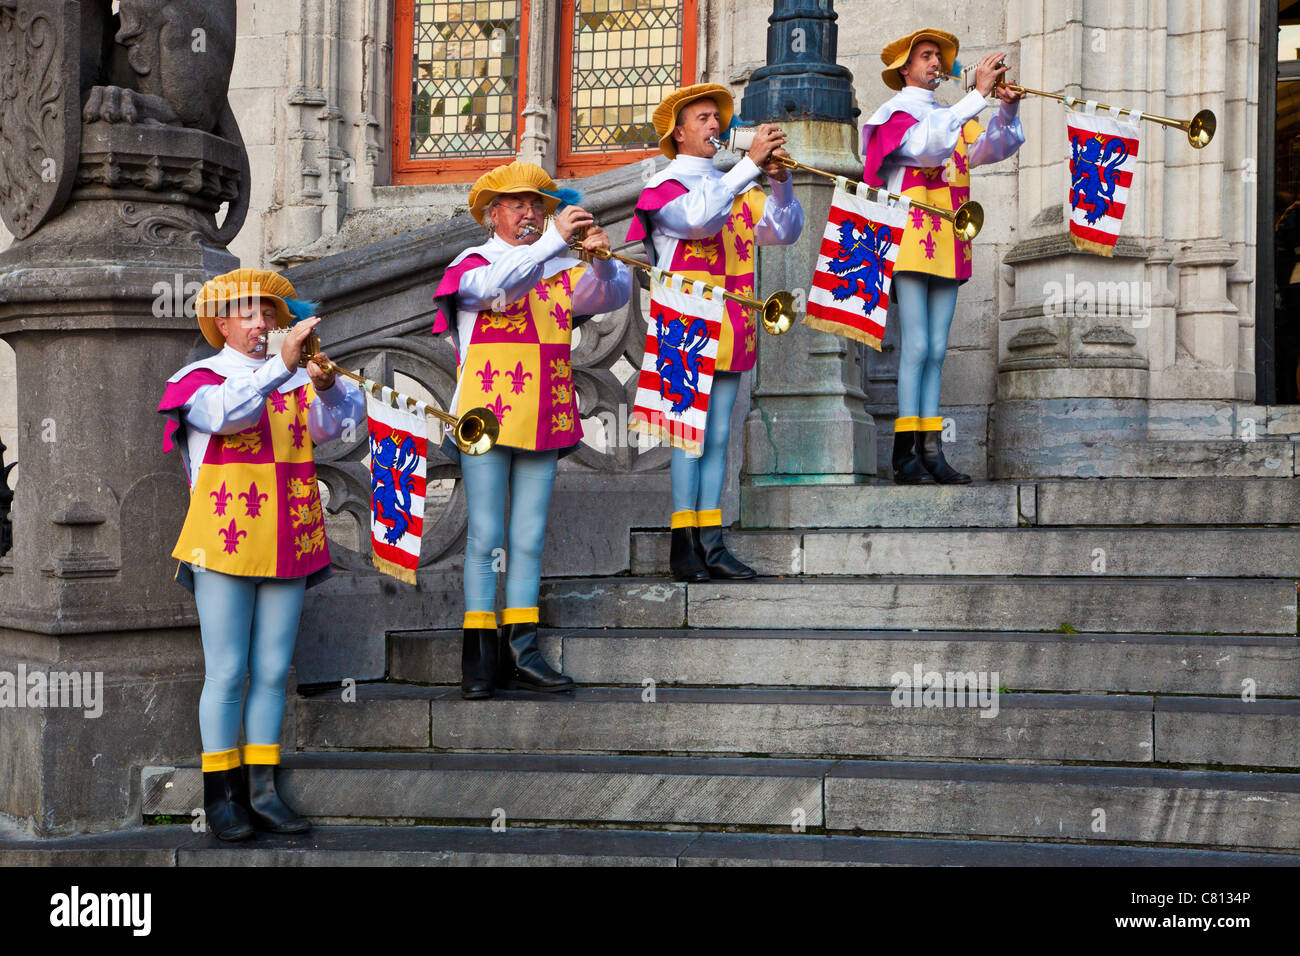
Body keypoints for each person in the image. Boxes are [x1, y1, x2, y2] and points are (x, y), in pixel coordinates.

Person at [157, 268, 364, 841]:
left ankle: (264, 791)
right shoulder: (198, 379)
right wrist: (283, 368)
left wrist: (324, 385)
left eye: (269, 315)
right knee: (227, 672)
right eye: (249, 315)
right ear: (220, 324)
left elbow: (340, 429)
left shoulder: (293, 379)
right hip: (223, 545)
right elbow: (229, 415)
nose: (262, 324)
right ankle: (222, 797)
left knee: (272, 673)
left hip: (289, 539)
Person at [432, 162, 631, 699]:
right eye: (516, 203)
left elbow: (610, 296)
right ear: (491, 214)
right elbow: (496, 287)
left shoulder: (561, 266)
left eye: (536, 203)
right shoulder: (473, 263)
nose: (528, 211)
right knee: (486, 537)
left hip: (544, 412)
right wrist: (552, 246)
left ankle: (523, 648)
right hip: (485, 418)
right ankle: (479, 654)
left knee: (526, 536)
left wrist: (603, 258)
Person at [628, 83, 803, 581]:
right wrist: (748, 165)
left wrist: (781, 181)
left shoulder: (740, 185)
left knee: (720, 436)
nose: (714, 126)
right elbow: (699, 219)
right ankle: (683, 543)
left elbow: (784, 231)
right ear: (679, 133)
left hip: (734, 324)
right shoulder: (663, 189)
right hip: (685, 327)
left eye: (717, 118)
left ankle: (711, 539)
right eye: (703, 118)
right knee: (688, 436)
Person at [862, 29, 1024, 483]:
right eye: (927, 56)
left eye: (938, 57)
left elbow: (994, 146)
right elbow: (926, 146)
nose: (935, 63)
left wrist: (1006, 105)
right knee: (915, 344)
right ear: (905, 69)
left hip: (950, 232)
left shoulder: (951, 113)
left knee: (936, 347)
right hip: (911, 234)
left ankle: (931, 449)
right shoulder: (894, 113)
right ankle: (905, 453)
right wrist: (976, 95)